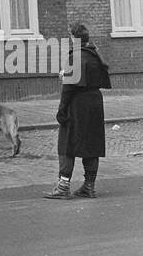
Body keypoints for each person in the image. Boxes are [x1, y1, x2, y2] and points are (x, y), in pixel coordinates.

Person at [44, 22, 111, 199]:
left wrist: (61, 110)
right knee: (92, 144)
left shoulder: (75, 56)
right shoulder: (95, 54)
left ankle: (63, 187)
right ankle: (89, 186)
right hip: (95, 103)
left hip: (78, 104)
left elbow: (69, 87)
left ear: (74, 38)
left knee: (67, 144)